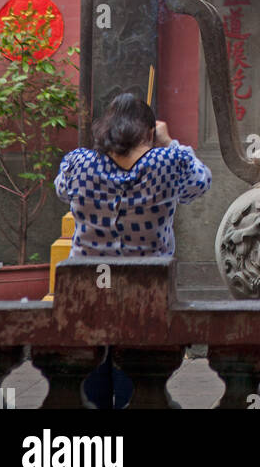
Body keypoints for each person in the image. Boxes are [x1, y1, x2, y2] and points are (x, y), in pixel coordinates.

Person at [54, 93, 211, 406]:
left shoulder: (79, 162)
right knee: (139, 381)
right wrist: (169, 143)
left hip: (87, 291)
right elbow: (200, 182)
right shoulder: (169, 162)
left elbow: (61, 189)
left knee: (93, 377)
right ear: (149, 133)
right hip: (146, 291)